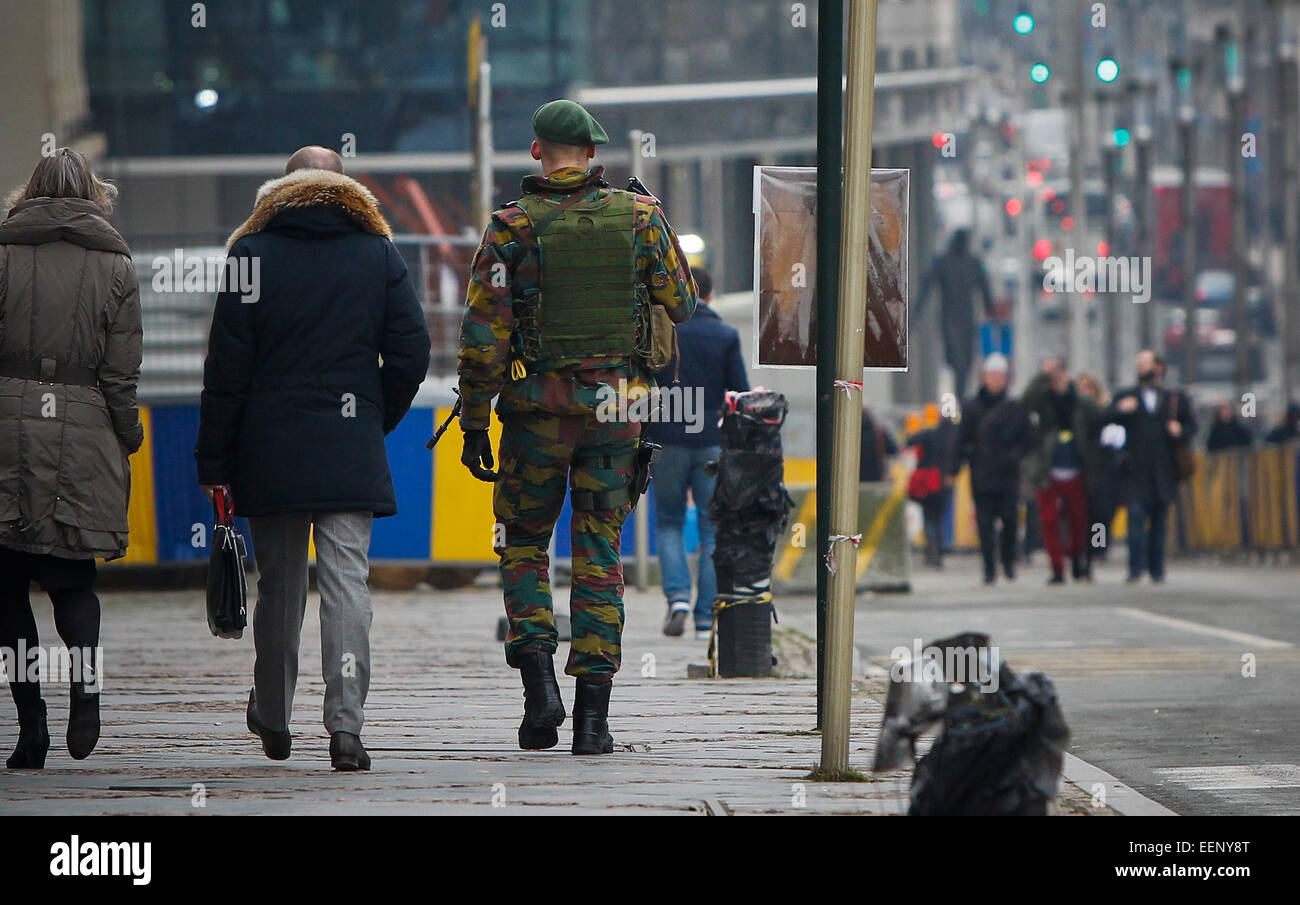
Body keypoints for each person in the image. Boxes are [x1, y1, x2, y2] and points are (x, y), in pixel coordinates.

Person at [457, 100, 696, 755]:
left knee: (525, 543)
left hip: (535, 415)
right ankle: (593, 721)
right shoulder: (641, 218)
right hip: (615, 417)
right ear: (593, 155)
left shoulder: (508, 229)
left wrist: (475, 422)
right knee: (599, 555)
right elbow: (684, 301)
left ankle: (540, 692)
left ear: (537, 151)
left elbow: (482, 338)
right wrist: (659, 219)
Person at [196, 146, 430, 770]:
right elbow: (412, 350)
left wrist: (214, 460)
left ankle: (273, 717)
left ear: (281, 187)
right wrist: (374, 419)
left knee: (279, 587)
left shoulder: (250, 256)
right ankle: (346, 727)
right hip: (348, 446)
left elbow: (226, 369)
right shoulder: (376, 253)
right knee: (347, 582)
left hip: (270, 449)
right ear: (344, 186)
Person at [0, 149, 142, 769]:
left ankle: (31, 725)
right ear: (92, 193)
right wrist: (126, 433)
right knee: (72, 576)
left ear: (29, 191)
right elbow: (121, 370)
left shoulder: (2, 253)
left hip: (5, 423)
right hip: (85, 424)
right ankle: (85, 694)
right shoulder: (115, 262)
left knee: (6, 587)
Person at [646, 267, 748, 640]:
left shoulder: (663, 332)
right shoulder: (724, 335)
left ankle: (678, 599)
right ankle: (706, 620)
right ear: (711, 295)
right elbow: (738, 393)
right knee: (711, 529)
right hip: (709, 441)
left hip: (666, 440)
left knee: (669, 523)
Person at [1104, 350, 1196, 584]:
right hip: (1135, 470)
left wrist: (1180, 430)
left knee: (1159, 522)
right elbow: (1104, 421)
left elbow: (1191, 426)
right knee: (1135, 518)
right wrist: (1119, 409)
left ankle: (1156, 569)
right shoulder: (1126, 396)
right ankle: (1135, 569)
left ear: (1159, 367)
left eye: (1146, 363)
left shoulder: (1174, 398)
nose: (1142, 367)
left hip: (1163, 471)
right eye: (1139, 363)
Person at [950, 353, 1035, 585]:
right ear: (984, 377)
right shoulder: (972, 407)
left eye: (999, 375)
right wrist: (954, 467)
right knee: (985, 524)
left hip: (1008, 475)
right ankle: (989, 568)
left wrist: (1015, 456)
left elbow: (1029, 439)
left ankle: (1008, 561)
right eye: (991, 375)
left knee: (1009, 520)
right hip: (982, 474)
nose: (995, 380)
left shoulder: (1015, 408)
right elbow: (961, 439)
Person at [1023, 359, 1101, 584]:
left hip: (1076, 470)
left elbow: (1100, 420)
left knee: (1080, 522)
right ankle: (1057, 568)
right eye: (1052, 376)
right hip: (1048, 471)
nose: (1056, 379)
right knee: (1049, 521)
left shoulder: (1081, 401)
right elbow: (1025, 402)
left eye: (1059, 374)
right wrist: (1041, 376)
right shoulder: (1043, 401)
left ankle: (1078, 559)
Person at [915, 229, 996, 399]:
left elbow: (985, 289)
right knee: (956, 360)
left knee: (967, 362)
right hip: (949, 318)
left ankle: (962, 397)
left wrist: (994, 314)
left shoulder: (973, 263)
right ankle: (960, 397)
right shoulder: (943, 262)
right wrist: (914, 315)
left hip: (967, 318)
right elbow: (926, 287)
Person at [906, 404, 955, 568]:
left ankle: (931, 549)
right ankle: (939, 551)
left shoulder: (929, 433)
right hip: (945, 480)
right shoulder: (952, 435)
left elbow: (910, 442)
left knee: (928, 517)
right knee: (939, 516)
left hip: (928, 481)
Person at [859, 405, 899, 483]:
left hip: (854, 478)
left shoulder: (851, 434)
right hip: (875, 477)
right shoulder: (880, 433)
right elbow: (894, 450)